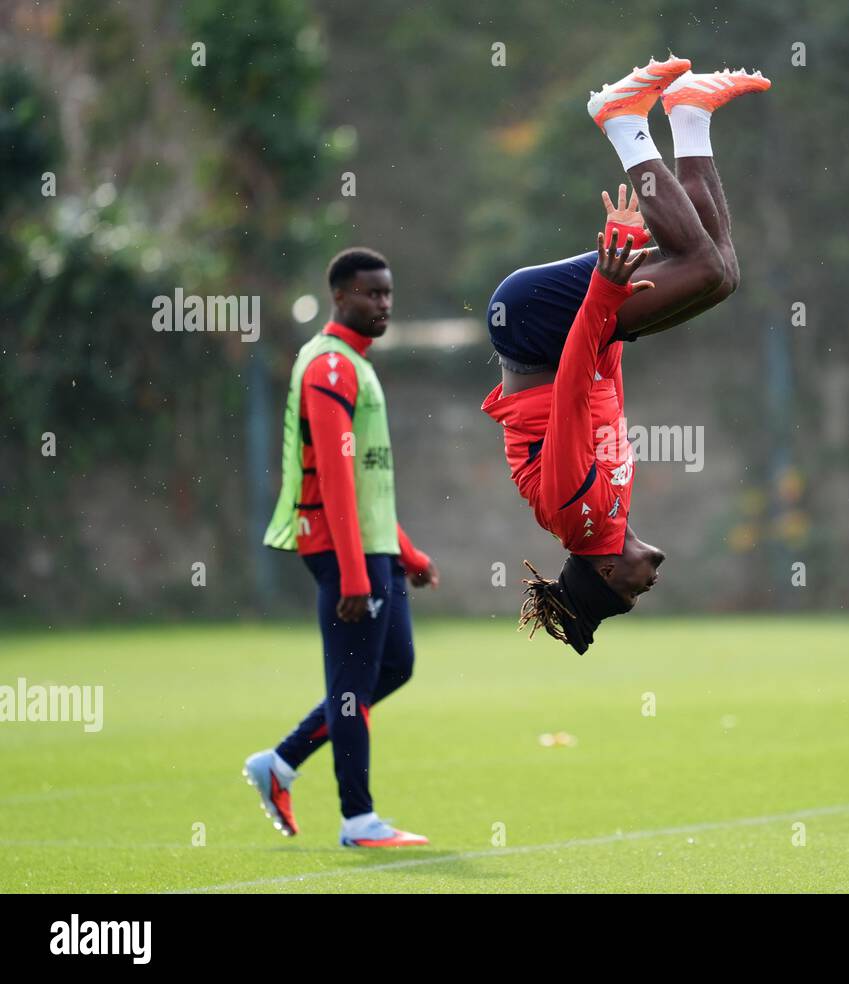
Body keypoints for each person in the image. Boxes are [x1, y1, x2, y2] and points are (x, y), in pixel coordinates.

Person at [480, 56, 770, 652]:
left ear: (607, 573)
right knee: (720, 274)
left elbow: (566, 388)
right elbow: (600, 395)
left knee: (699, 265)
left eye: (635, 593)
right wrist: (617, 324)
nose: (650, 584)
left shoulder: (574, 514)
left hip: (534, 326)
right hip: (568, 335)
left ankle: (620, 121)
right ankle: (689, 115)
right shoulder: (609, 512)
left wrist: (606, 295)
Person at [247, 247, 438, 847]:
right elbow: (333, 476)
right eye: (370, 293)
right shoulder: (329, 366)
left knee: (394, 666)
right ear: (339, 296)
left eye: (387, 294)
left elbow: (368, 482)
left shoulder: (355, 363)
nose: (382, 304)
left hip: (373, 550)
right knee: (353, 687)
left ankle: (279, 763)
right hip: (341, 552)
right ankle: (358, 820)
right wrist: (355, 574)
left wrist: (405, 552)